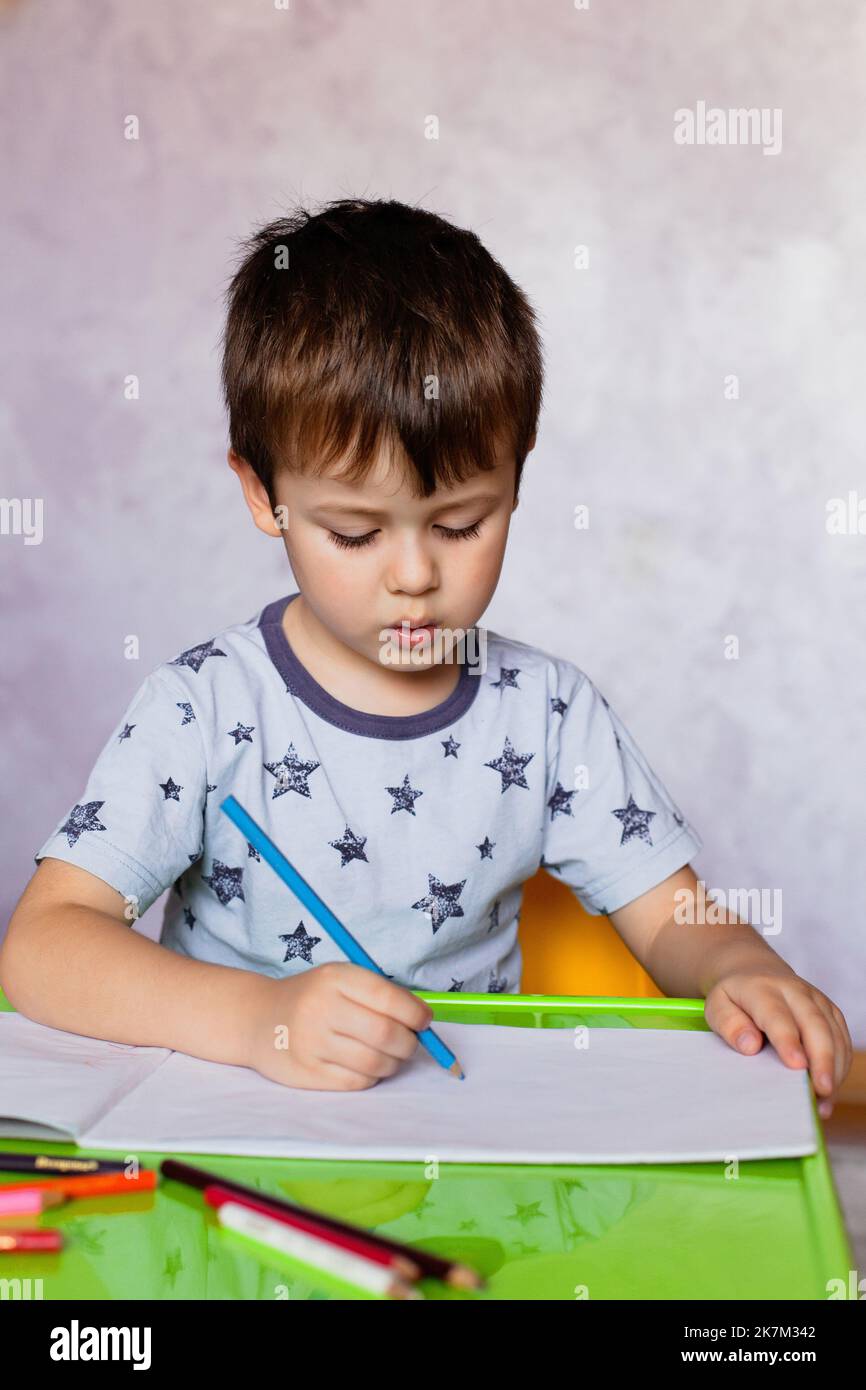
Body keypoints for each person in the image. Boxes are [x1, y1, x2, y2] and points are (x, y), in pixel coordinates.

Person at [1, 198, 852, 1110]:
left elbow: (673, 916)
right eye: (355, 533)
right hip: (228, 1158)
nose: (414, 575)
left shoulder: (547, 714)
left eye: (459, 523)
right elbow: (44, 951)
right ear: (262, 495)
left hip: (467, 1153)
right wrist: (260, 1021)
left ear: (518, 476)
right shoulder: (203, 708)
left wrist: (740, 964)